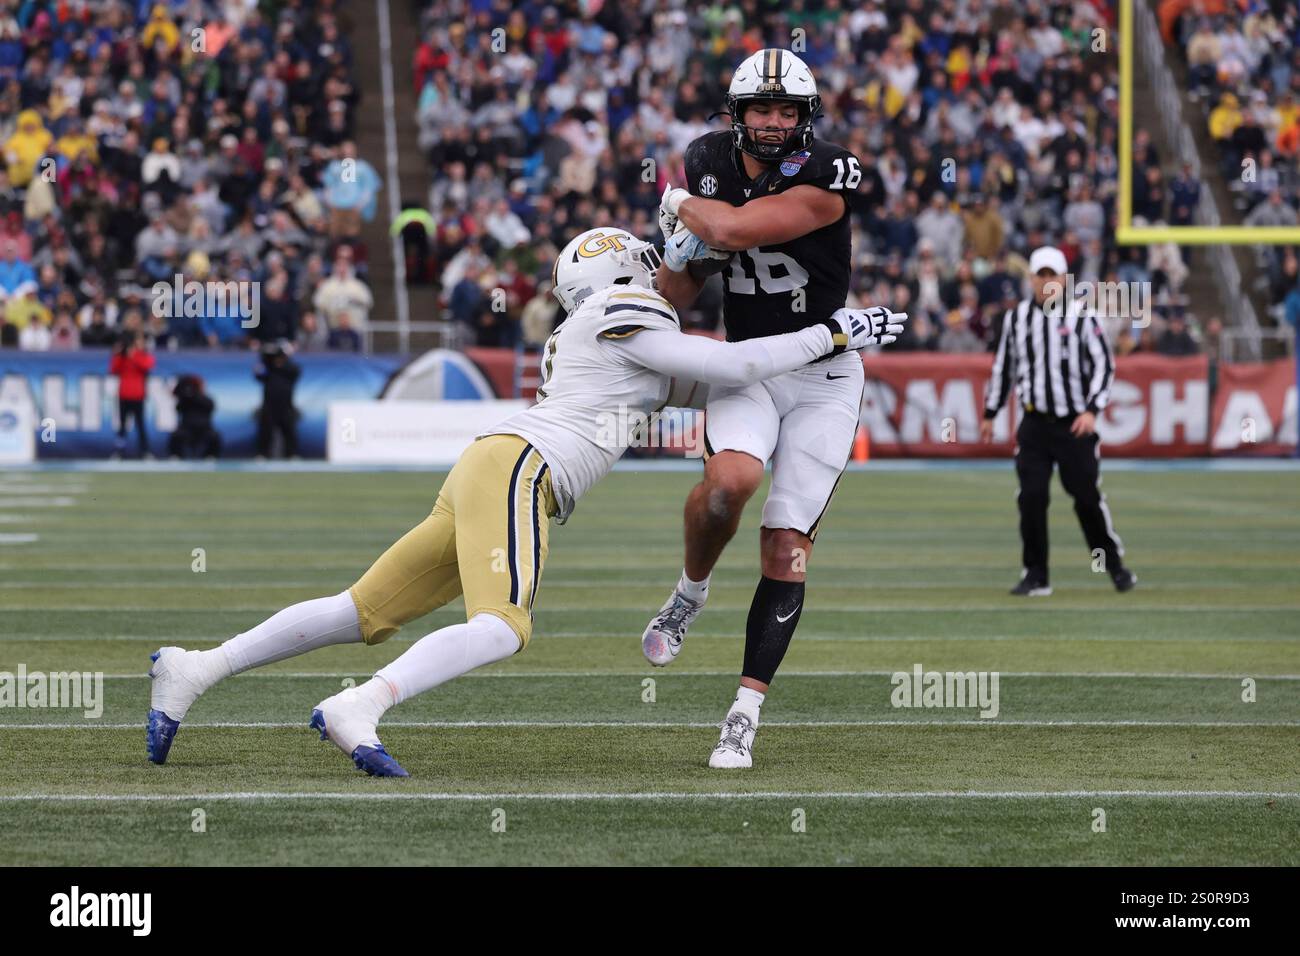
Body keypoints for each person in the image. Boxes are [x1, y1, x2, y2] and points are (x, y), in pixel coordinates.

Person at [146, 226, 906, 776]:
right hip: (522, 470)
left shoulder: (611, 330)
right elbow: (736, 359)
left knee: (361, 610)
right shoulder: (621, 314)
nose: (663, 261)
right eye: (651, 255)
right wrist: (837, 330)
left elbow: (731, 379)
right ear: (624, 269)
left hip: (496, 465)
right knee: (504, 626)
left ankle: (197, 668)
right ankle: (361, 706)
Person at [644, 49, 876, 769]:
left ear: (805, 119)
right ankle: (689, 592)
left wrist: (682, 206)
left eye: (786, 111)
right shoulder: (709, 161)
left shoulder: (829, 173)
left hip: (823, 372)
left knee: (787, 544)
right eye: (760, 110)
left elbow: (739, 232)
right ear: (737, 114)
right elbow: (682, 293)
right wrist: (675, 255)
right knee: (730, 484)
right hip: (748, 363)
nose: (774, 123)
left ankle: (743, 712)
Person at [980, 245, 1136, 596]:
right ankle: (1037, 575)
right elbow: (1004, 368)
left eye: (1053, 275)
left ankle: (1113, 566)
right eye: (1041, 275)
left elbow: (1104, 366)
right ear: (1032, 278)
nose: (1047, 281)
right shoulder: (1017, 318)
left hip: (1073, 425)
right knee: (1032, 497)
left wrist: (1091, 410)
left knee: (1085, 497)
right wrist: (991, 412)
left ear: (1064, 280)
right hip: (1034, 423)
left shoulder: (1082, 316)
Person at [109, 330, 155, 458]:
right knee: (122, 425)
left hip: (138, 395)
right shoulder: (122, 357)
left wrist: (133, 355)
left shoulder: (141, 355)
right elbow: (113, 369)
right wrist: (117, 354)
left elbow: (148, 365)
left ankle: (145, 452)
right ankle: (119, 452)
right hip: (124, 395)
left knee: (140, 425)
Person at [254, 341, 300, 458]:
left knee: (289, 430)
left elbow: (295, 371)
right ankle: (262, 454)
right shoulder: (268, 368)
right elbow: (258, 374)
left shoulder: (290, 368)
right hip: (269, 405)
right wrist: (267, 360)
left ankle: (291, 454)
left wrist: (282, 360)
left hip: (286, 405)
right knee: (266, 430)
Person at [167, 374, 221, 459]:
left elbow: (210, 407)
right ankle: (177, 456)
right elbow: (178, 407)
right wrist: (186, 395)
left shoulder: (206, 399)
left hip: (204, 429)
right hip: (187, 429)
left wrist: (196, 395)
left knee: (215, 436)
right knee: (175, 435)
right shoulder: (185, 401)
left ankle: (210, 456)